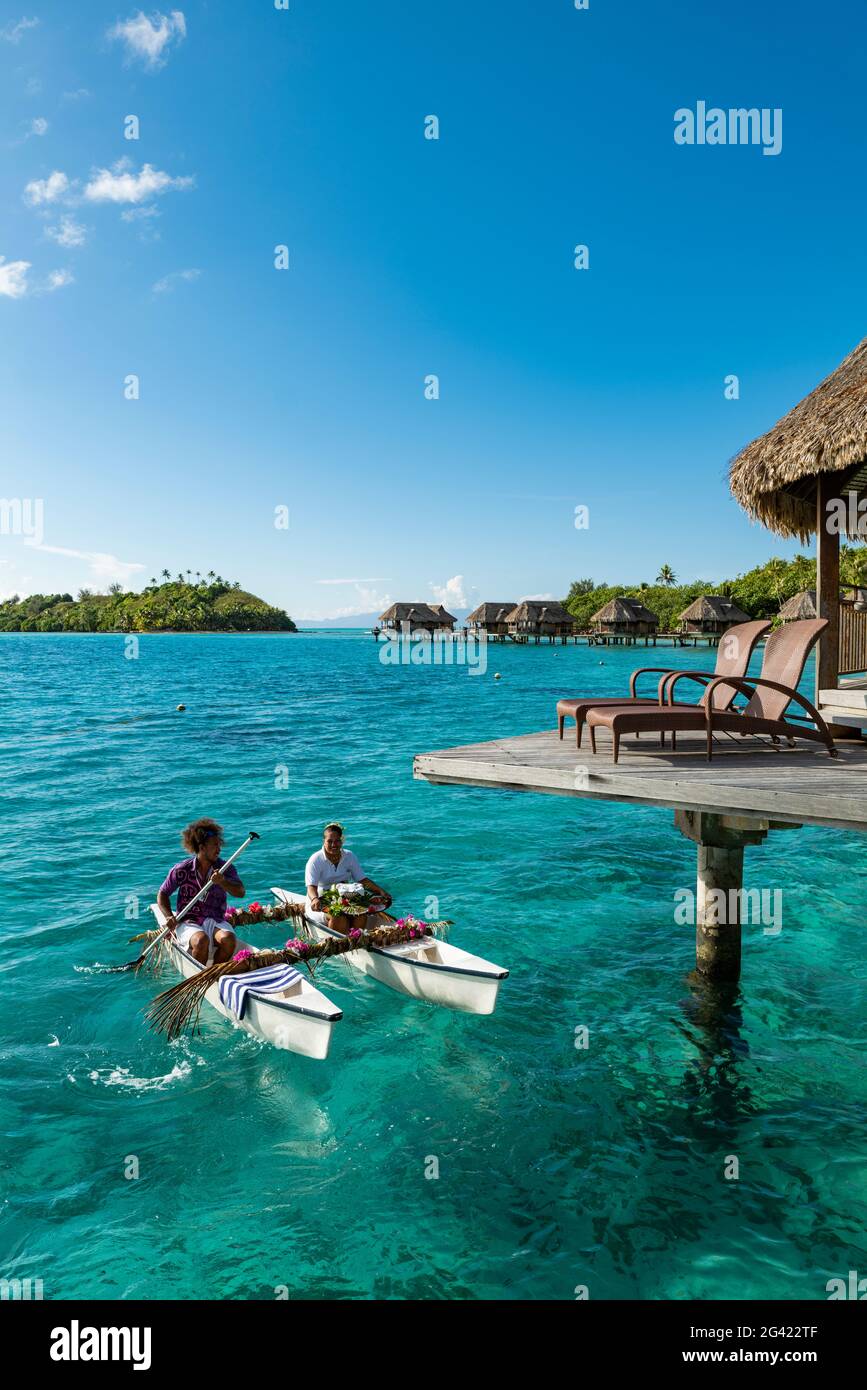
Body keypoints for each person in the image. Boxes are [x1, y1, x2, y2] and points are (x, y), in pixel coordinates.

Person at [157, 818, 245, 964]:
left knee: (229, 940)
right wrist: (168, 916)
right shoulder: (181, 869)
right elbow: (163, 894)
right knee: (201, 940)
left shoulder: (225, 868)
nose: (219, 849)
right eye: (215, 845)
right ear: (202, 847)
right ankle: (198, 976)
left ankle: (212, 975)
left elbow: (240, 892)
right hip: (188, 921)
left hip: (215, 918)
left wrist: (223, 881)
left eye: (219, 844)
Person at [305, 822, 392, 931]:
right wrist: (314, 899)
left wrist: (381, 891)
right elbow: (311, 887)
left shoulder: (349, 856)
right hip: (320, 904)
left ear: (342, 841)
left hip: (345, 899)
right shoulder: (315, 860)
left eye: (337, 841)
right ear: (324, 841)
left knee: (361, 914)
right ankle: (337, 942)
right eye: (329, 841)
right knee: (339, 917)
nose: (333, 845)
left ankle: (355, 940)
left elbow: (362, 880)